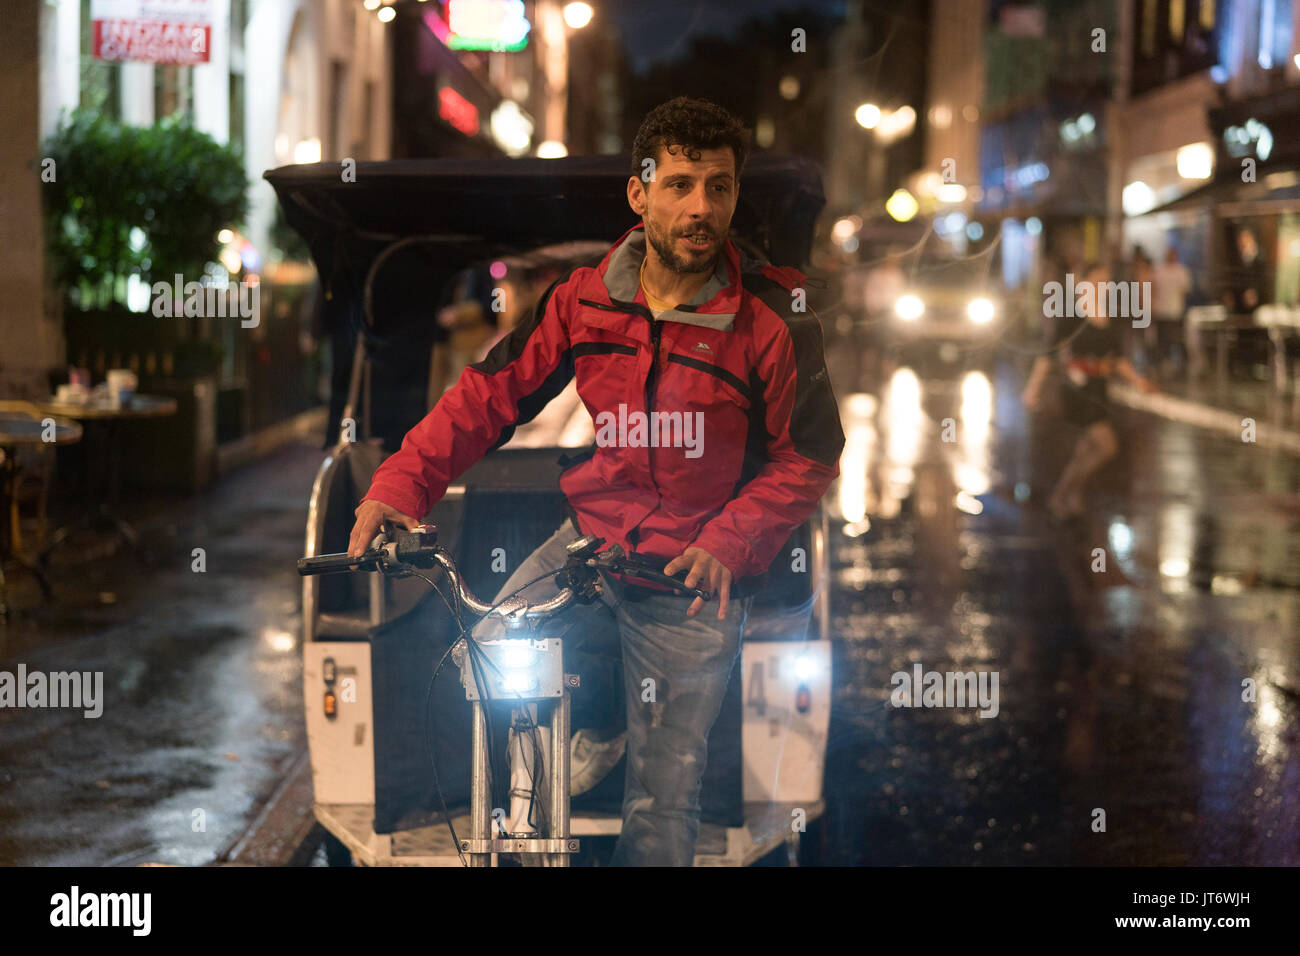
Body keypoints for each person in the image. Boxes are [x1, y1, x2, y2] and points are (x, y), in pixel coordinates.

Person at [346, 96, 845, 865]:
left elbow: (808, 455)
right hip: (593, 549)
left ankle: (612, 731)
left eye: (719, 186)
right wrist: (398, 487)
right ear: (639, 193)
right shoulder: (583, 299)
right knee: (478, 649)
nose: (701, 207)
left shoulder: (774, 321)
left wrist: (729, 542)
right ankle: (576, 746)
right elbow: (490, 395)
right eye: (679, 184)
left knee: (665, 792)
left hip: (692, 578)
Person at [1021, 262, 1157, 522]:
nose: (1102, 287)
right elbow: (1048, 355)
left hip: (1099, 388)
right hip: (1077, 390)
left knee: (1086, 449)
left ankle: (1068, 495)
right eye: (1096, 281)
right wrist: (1032, 388)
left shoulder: (1110, 316)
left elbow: (1117, 360)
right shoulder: (1071, 315)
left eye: (1105, 282)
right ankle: (1064, 493)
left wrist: (1140, 382)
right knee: (1107, 445)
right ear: (1083, 283)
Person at [1152, 245, 1192, 378]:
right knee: (1162, 341)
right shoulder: (1158, 271)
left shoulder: (1181, 271)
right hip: (1161, 312)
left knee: (1178, 340)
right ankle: (1160, 365)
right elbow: (1153, 288)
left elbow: (1184, 292)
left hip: (1175, 312)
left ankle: (1183, 367)